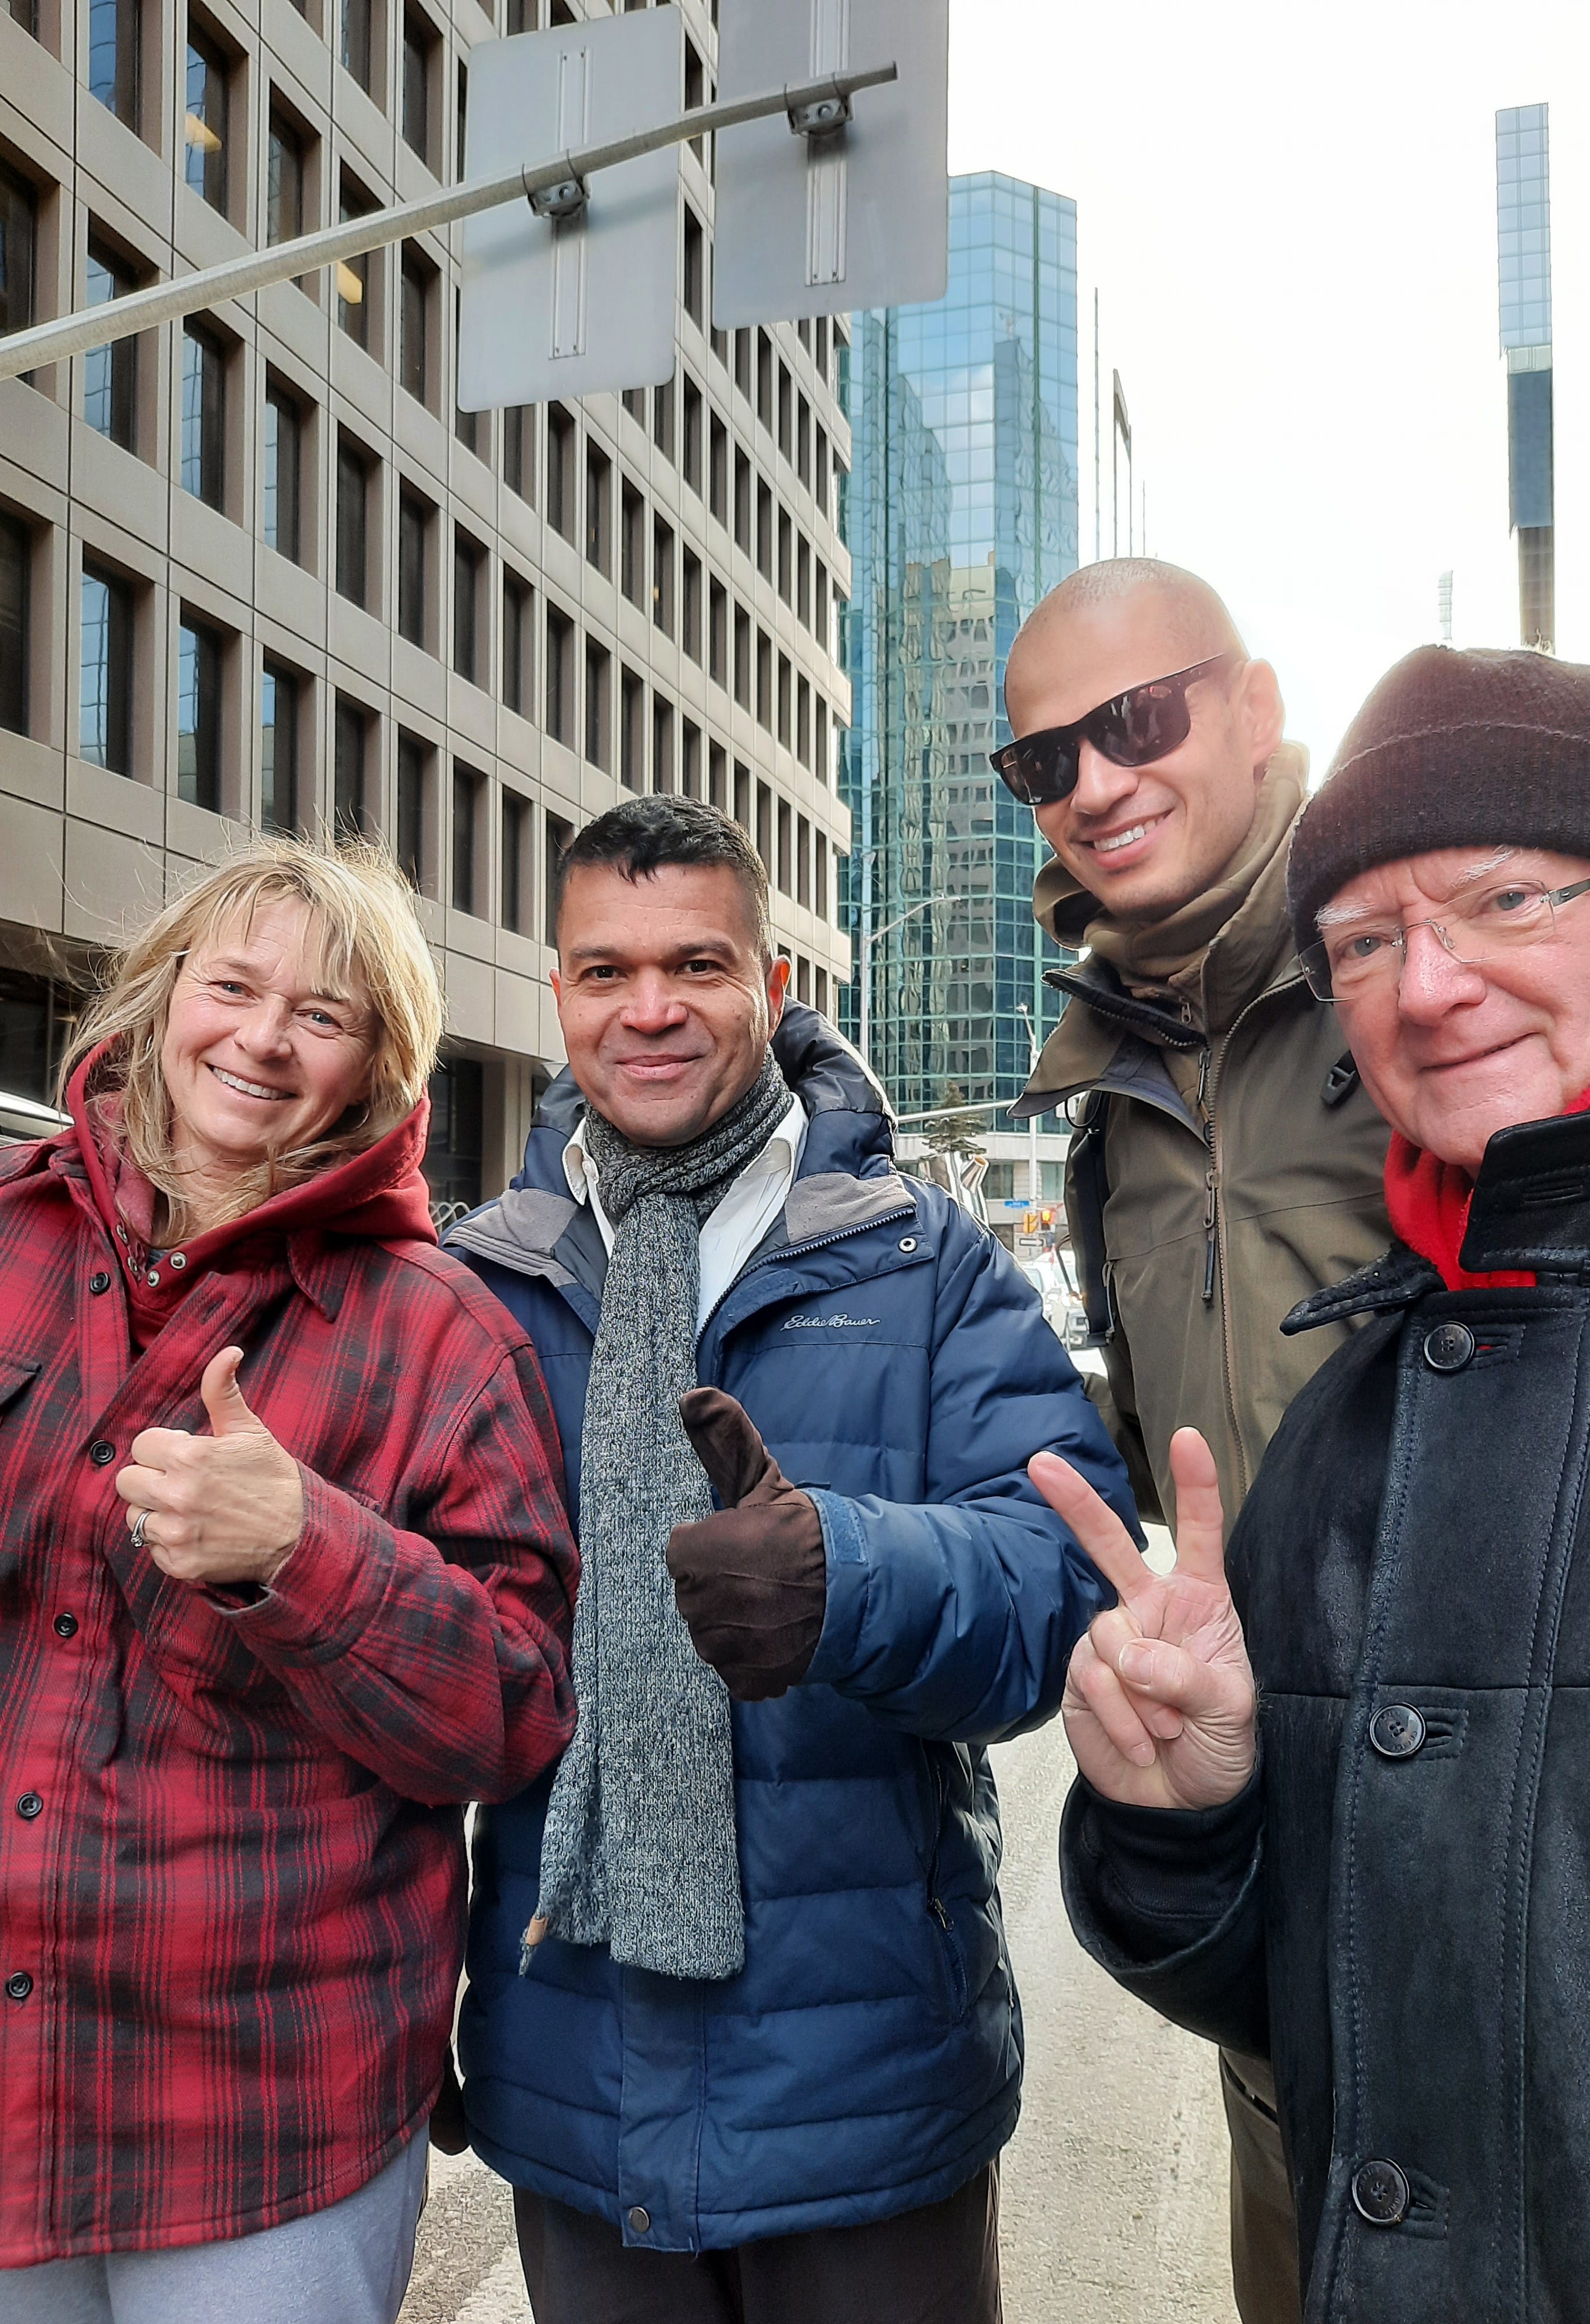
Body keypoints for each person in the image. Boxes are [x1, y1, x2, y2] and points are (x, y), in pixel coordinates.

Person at [1043, 643, 1590, 2320]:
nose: (1427, 988)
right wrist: (1186, 1817)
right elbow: (1318, 1989)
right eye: (1363, 942)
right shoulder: (1365, 1412)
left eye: (1507, 900)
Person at [445, 794, 1132, 2324]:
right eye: (605, 970)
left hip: (870, 2087)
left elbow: (1072, 1574)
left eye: (696, 963)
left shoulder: (922, 1257)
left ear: (771, 983)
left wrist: (850, 1576)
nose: (651, 1008)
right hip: (578, 2076)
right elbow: (414, 1669)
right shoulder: (476, 1283)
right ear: (556, 993)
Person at [0, 842, 578, 2322]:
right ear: (168, 989)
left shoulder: (443, 1331)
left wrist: (308, 1553)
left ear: (377, 1064)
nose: (260, 1035)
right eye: (233, 983)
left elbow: (515, 1713)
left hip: (262, 2119)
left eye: (322, 1014)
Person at [998, 557, 1391, 2320]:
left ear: (1256, 703)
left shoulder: (1418, 951)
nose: (1093, 784)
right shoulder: (1108, 1097)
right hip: (1282, 1863)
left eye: (1136, 721)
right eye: (1042, 764)